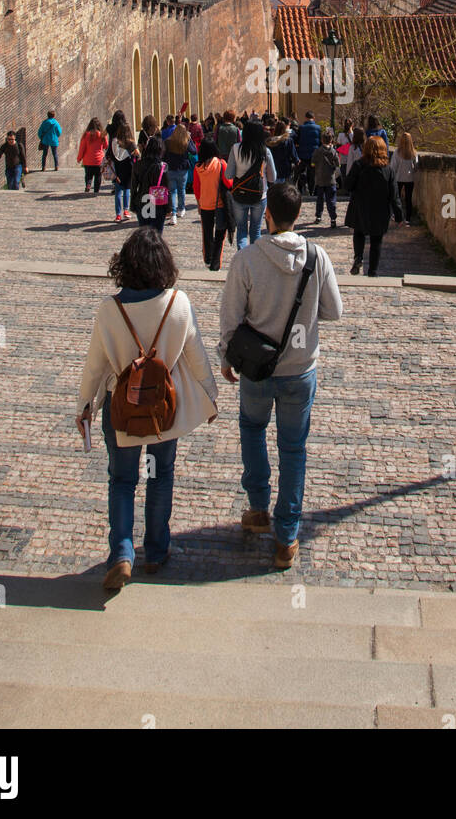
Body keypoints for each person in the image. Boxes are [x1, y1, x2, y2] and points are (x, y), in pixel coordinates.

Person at [76, 228, 218, 591]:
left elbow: (95, 365)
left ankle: (122, 553)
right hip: (162, 412)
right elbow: (198, 357)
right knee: (160, 476)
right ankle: (155, 551)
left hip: (122, 410)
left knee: (122, 481)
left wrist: (84, 407)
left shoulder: (111, 310)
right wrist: (210, 396)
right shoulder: (178, 304)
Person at [218, 182, 343, 570]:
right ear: (297, 215)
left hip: (257, 368)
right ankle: (287, 536)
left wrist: (225, 356)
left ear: (268, 214)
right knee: (294, 449)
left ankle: (257, 508)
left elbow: (231, 316)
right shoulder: (316, 256)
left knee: (252, 431)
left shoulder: (247, 259)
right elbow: (334, 310)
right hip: (301, 370)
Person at [345, 135, 402, 277]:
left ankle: (358, 257)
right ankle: (373, 271)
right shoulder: (388, 170)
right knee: (376, 241)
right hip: (380, 209)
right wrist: (399, 215)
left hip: (360, 206)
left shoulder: (359, 165)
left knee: (359, 232)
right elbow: (394, 195)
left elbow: (348, 185)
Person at [226, 119, 276, 249]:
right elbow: (272, 177)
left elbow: (228, 175)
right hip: (259, 195)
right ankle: (255, 260)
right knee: (256, 229)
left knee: (241, 230)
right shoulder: (265, 151)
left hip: (240, 194)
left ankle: (242, 259)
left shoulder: (236, 149)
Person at [193, 139, 233, 268]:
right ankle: (216, 262)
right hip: (219, 204)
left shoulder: (197, 167)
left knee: (207, 233)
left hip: (205, 204)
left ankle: (207, 258)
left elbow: (196, 188)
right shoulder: (221, 164)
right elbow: (229, 183)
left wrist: (198, 203)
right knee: (220, 233)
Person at [131, 134, 169, 231]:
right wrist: (169, 208)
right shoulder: (162, 166)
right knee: (156, 235)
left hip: (143, 200)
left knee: (144, 234)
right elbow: (167, 188)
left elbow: (134, 186)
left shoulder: (138, 164)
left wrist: (132, 205)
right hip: (158, 202)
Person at [106, 112, 138, 222]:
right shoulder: (130, 143)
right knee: (127, 189)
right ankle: (126, 210)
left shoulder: (114, 142)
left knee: (118, 191)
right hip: (128, 168)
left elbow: (109, 154)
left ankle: (118, 214)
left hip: (117, 168)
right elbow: (137, 154)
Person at [163, 124, 194, 224]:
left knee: (172, 191)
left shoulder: (168, 141)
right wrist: (190, 139)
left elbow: (163, 155)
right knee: (182, 189)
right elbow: (194, 151)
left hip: (171, 168)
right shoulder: (186, 141)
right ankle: (181, 209)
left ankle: (173, 214)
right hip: (183, 168)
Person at [311, 128, 340, 227]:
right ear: (331, 140)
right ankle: (333, 218)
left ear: (322, 140)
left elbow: (313, 162)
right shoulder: (333, 152)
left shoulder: (318, 151)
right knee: (331, 199)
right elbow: (338, 164)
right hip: (330, 179)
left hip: (319, 179)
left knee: (320, 198)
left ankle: (318, 216)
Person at [392, 130, 418, 225]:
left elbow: (393, 166)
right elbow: (416, 166)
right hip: (409, 179)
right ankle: (408, 219)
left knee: (396, 198)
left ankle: (397, 216)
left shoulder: (397, 152)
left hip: (398, 178)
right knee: (408, 199)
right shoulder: (414, 153)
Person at [77, 117, 107, 194]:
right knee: (98, 176)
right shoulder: (102, 135)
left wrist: (79, 158)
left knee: (88, 175)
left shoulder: (86, 135)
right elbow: (106, 146)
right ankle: (96, 190)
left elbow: (82, 148)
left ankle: (88, 184)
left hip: (88, 160)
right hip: (99, 160)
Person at [296, 112, 321, 195]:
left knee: (301, 172)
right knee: (312, 174)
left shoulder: (301, 128)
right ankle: (312, 191)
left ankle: (300, 188)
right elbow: (320, 142)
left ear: (306, 118)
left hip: (302, 155)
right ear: (313, 118)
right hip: (314, 155)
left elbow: (297, 140)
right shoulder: (318, 128)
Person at [269, 119, 300, 185]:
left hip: (273, 167)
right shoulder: (288, 140)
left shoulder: (270, 141)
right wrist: (297, 161)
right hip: (285, 168)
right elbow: (293, 154)